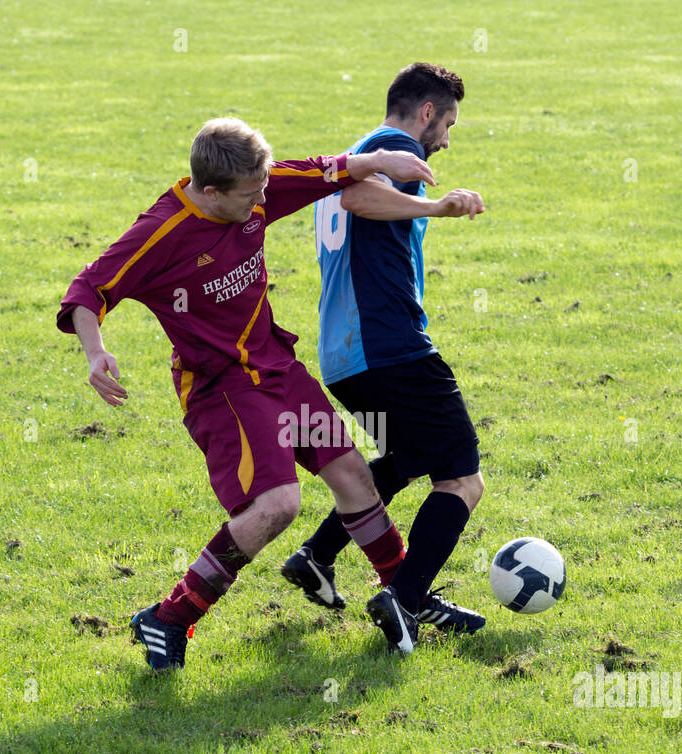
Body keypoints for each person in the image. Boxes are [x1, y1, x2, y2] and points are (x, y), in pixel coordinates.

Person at [57, 117, 439, 668]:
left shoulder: (253, 186)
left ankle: (406, 598)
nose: (262, 199)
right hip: (221, 386)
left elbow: (323, 170)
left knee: (353, 474)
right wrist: (95, 352)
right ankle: (169, 618)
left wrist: (383, 162)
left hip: (276, 364)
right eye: (250, 194)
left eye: (264, 187)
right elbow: (88, 289)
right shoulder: (162, 232)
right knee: (278, 504)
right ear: (209, 192)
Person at [281, 63, 487, 652]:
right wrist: (436, 208)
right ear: (426, 112)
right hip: (391, 348)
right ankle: (405, 596)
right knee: (462, 478)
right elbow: (359, 200)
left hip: (346, 359)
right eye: (447, 123)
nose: (446, 139)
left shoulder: (355, 150)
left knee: (404, 460)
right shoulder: (393, 148)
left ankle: (317, 555)